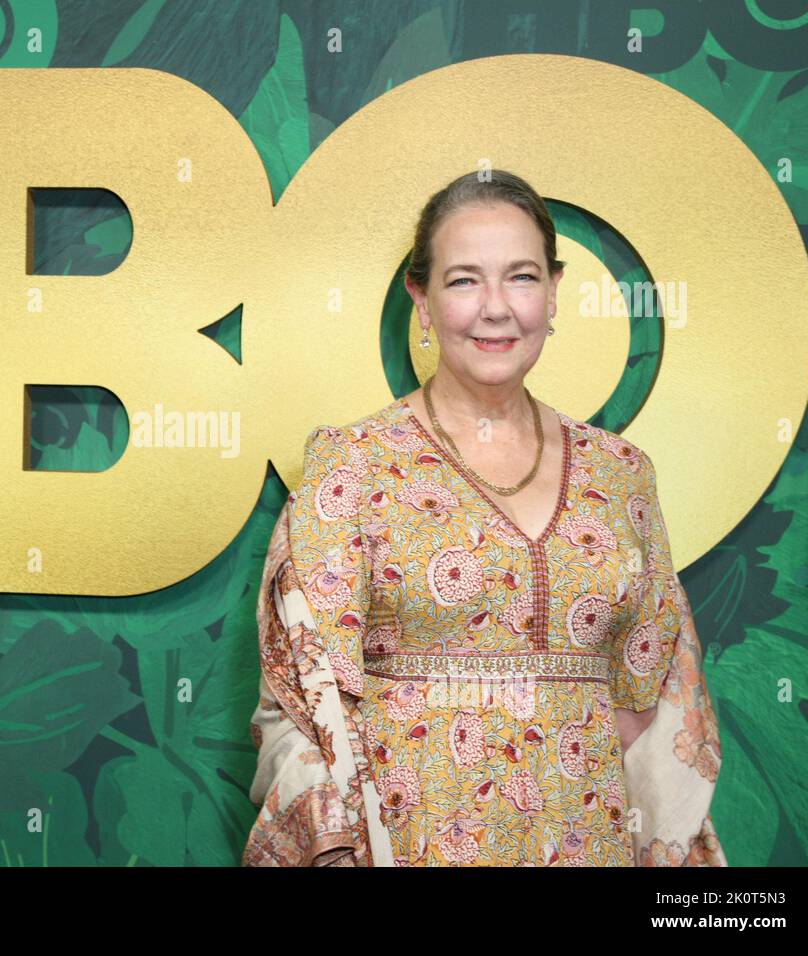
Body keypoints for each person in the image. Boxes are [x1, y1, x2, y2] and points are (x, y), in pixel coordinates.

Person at [242, 169, 726, 867]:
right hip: (406, 848)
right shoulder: (352, 465)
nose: (495, 309)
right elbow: (299, 705)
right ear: (423, 298)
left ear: (553, 292)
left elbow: (649, 702)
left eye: (521, 277)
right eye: (465, 280)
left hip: (585, 844)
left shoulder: (622, 475)